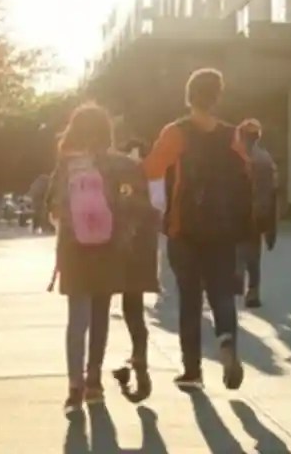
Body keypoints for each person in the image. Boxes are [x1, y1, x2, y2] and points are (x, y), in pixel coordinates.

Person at [144, 68, 252, 392]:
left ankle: (192, 371)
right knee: (221, 291)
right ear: (218, 97)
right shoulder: (232, 134)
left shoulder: (176, 132)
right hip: (223, 230)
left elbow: (151, 168)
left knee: (189, 298)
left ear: (189, 95)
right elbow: (245, 176)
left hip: (184, 228)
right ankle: (227, 340)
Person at [48, 104, 139, 414]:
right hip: (107, 248)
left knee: (77, 319)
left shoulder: (66, 164)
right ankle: (94, 382)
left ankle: (73, 386)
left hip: (74, 249)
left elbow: (52, 206)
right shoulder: (114, 164)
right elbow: (127, 205)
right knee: (100, 315)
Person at [111, 137, 159, 401]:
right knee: (134, 310)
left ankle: (93, 373)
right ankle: (139, 358)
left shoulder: (107, 166)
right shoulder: (139, 172)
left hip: (109, 245)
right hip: (139, 247)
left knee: (98, 309)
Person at [236, 119, 278, 309]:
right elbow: (272, 193)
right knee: (253, 256)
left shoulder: (232, 156)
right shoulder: (265, 159)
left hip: (235, 213)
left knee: (235, 253)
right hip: (259, 214)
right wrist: (271, 227)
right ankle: (252, 293)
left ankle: (234, 287)